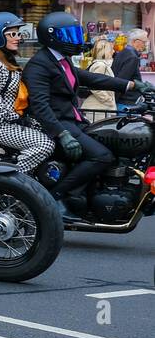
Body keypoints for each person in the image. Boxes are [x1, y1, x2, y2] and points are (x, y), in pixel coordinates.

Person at [23, 11, 154, 221]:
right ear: (52, 37)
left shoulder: (61, 60)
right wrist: (62, 134)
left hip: (74, 121)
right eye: (69, 35)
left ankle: (84, 195)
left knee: (111, 147)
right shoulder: (39, 64)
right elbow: (39, 105)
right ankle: (55, 197)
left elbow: (91, 78)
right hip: (60, 124)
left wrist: (132, 84)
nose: (75, 40)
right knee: (101, 156)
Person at [0, 12, 54, 174]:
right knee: (44, 144)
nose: (18, 37)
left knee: (53, 134)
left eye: (18, 33)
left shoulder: (7, 60)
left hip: (11, 121)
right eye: (12, 34)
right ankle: (14, 181)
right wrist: (18, 119)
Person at [112, 28, 146, 104]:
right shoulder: (132, 57)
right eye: (144, 42)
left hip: (122, 100)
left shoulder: (122, 52)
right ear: (135, 42)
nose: (145, 44)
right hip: (127, 101)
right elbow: (122, 81)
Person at [84, 38, 118, 113]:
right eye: (111, 49)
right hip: (99, 108)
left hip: (100, 107)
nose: (113, 51)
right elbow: (95, 86)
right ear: (106, 51)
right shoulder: (100, 65)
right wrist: (108, 100)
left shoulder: (102, 65)